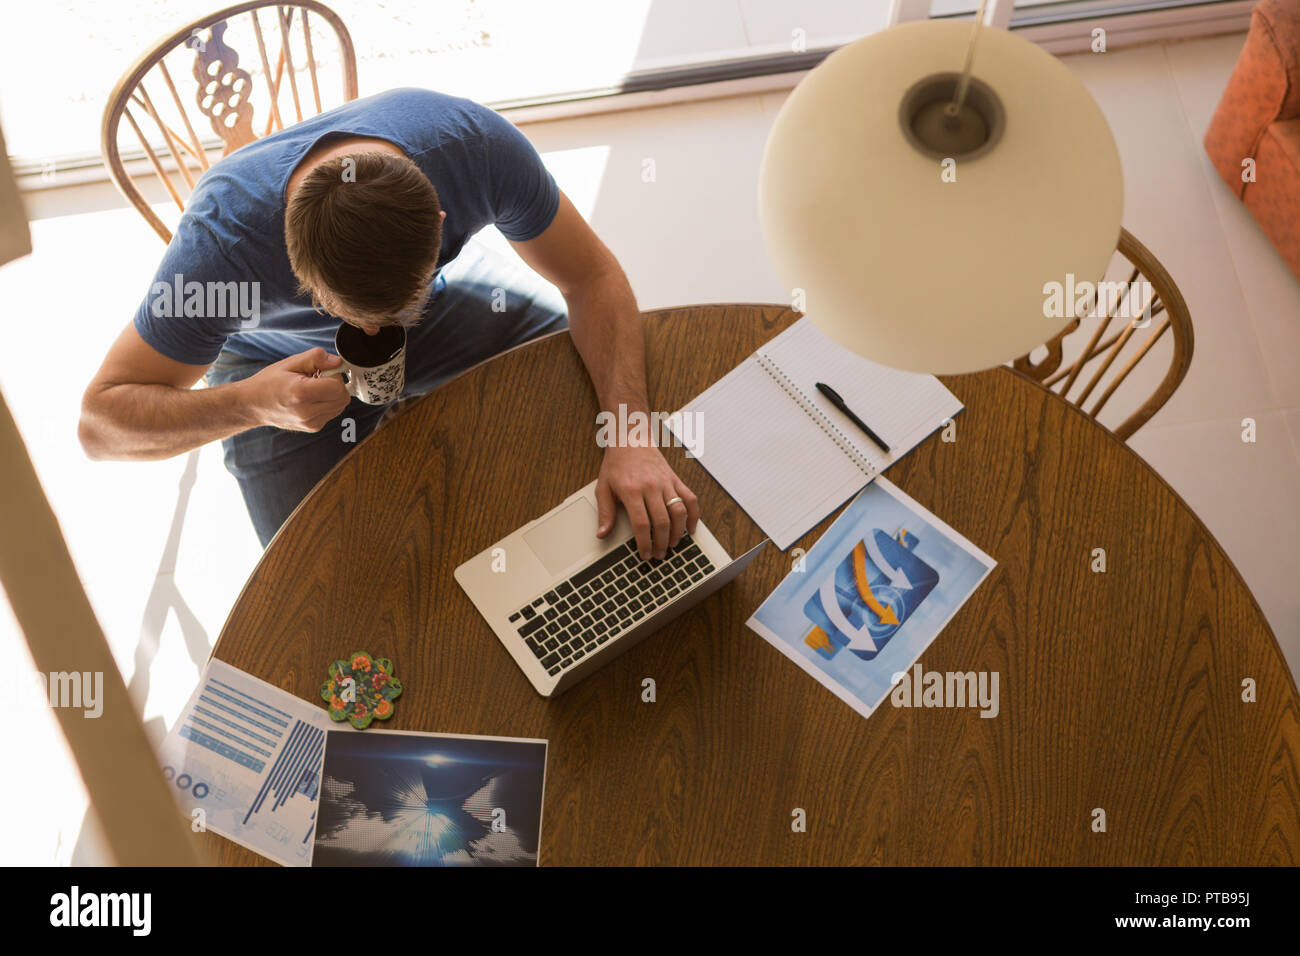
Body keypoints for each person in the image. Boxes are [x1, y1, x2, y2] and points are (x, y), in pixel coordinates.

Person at [79, 87, 699, 555]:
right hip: (272, 368)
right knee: (322, 577)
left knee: (597, 411)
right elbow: (99, 425)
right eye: (348, 316)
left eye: (390, 312)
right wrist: (252, 404)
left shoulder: (476, 149)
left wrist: (631, 437)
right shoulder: (221, 252)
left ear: (439, 223)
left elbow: (592, 278)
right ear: (295, 267)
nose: (373, 345)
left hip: (442, 312)